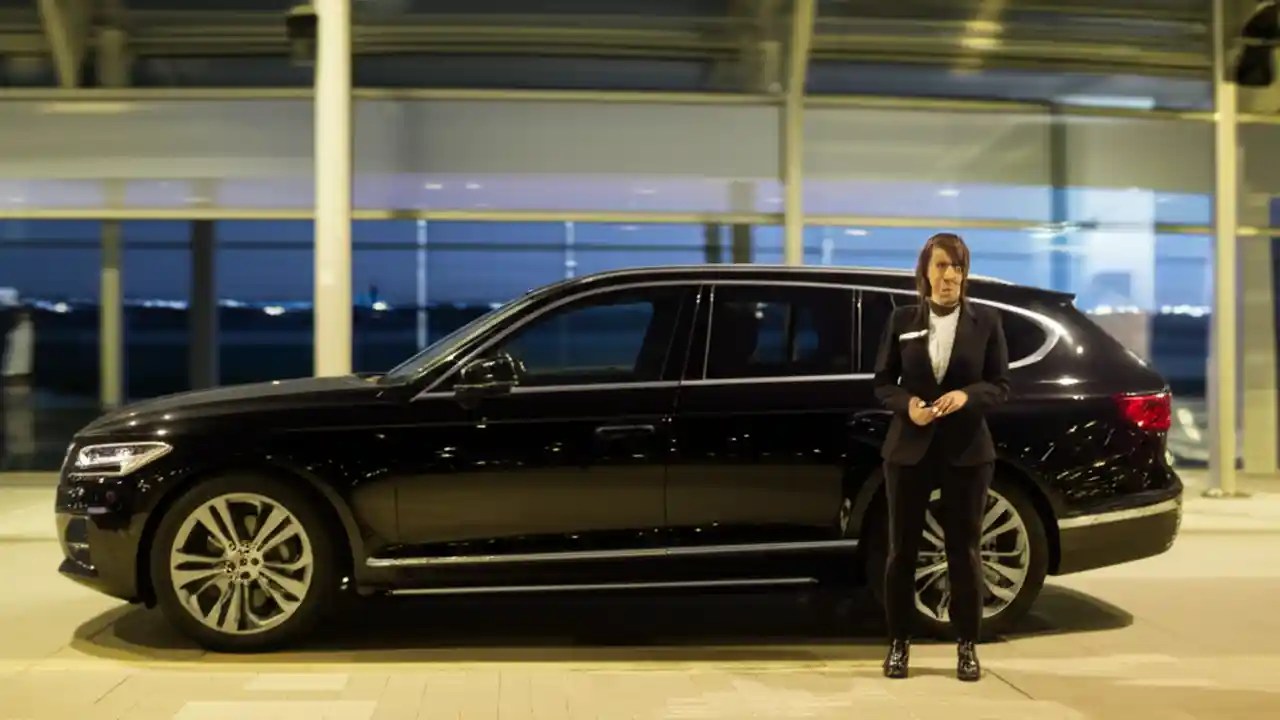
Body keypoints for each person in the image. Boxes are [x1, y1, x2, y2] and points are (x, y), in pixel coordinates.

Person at [871, 232, 1010, 682]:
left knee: (964, 551)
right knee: (901, 552)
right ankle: (898, 644)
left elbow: (1000, 385)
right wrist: (906, 405)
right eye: (942, 266)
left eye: (957, 267)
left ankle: (968, 645)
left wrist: (967, 397)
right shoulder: (901, 319)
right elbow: (883, 383)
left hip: (967, 451)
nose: (950, 275)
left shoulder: (986, 322)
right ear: (925, 272)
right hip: (909, 448)